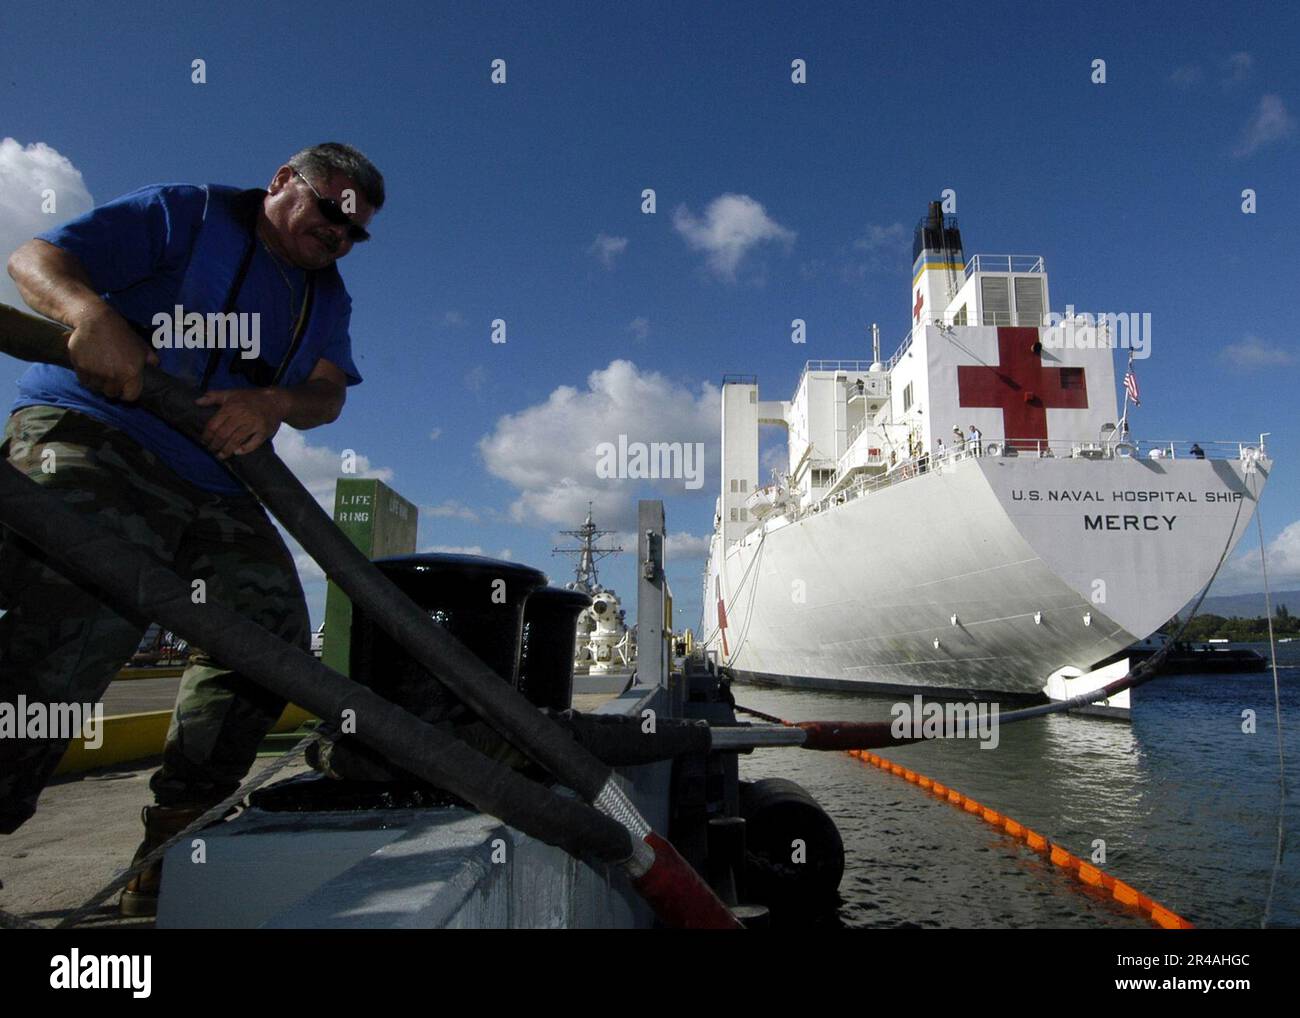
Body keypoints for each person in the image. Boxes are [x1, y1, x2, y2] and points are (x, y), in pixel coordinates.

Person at [0, 142, 383, 915]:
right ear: (282, 181)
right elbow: (33, 259)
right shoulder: (187, 210)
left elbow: (327, 393)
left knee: (269, 634)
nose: (336, 237)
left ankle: (173, 845)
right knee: (86, 601)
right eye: (328, 211)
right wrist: (90, 315)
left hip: (213, 476)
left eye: (353, 233)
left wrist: (274, 405)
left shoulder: (327, 297)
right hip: (96, 430)